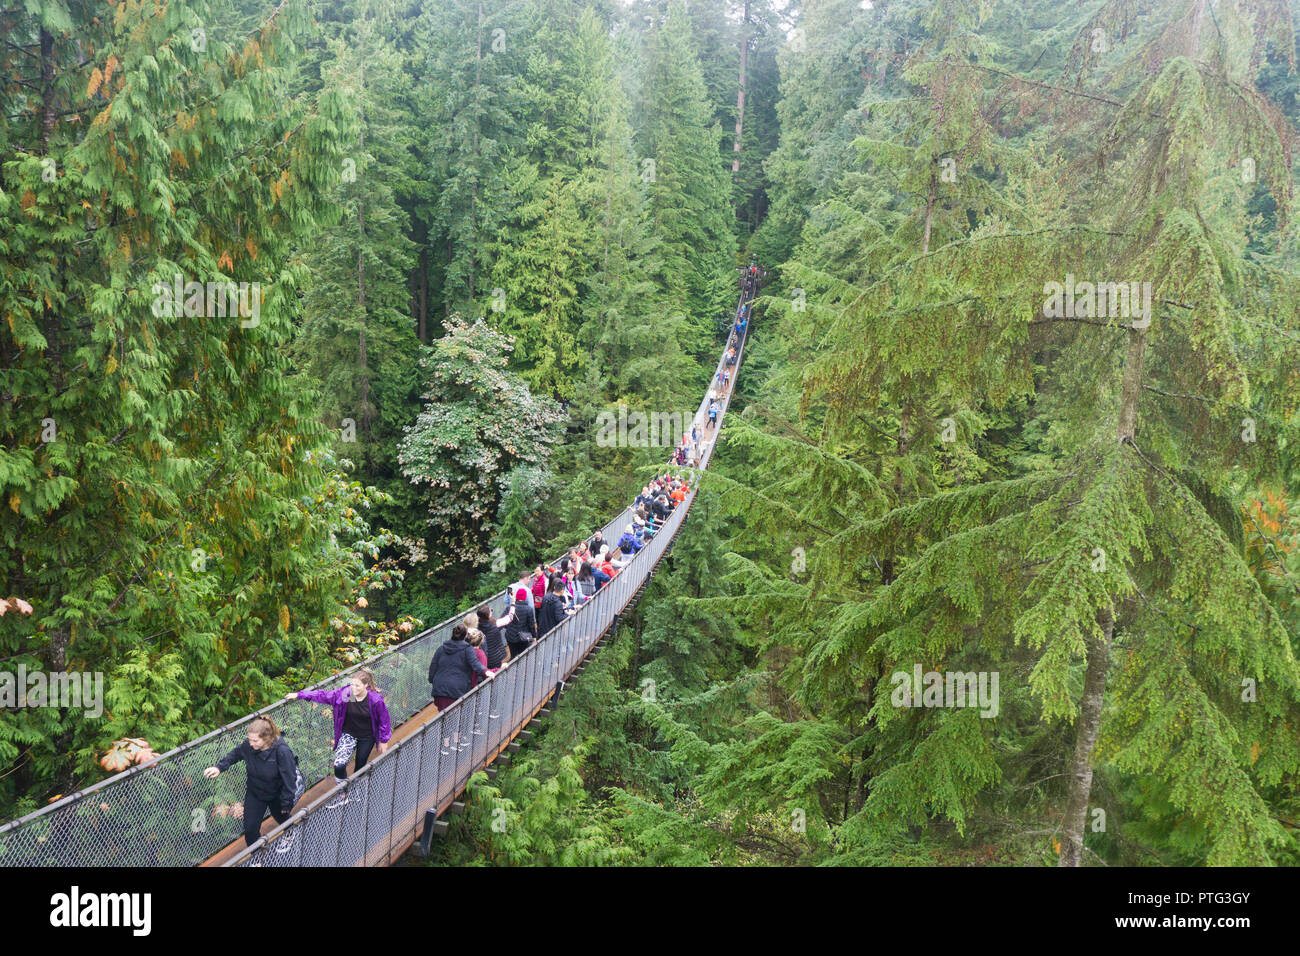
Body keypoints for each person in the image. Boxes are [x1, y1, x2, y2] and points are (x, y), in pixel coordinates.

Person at [288, 668, 392, 806]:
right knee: (339, 764)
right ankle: (342, 794)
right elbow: (324, 695)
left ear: (366, 685)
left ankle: (356, 790)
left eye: (357, 685)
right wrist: (299, 695)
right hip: (349, 734)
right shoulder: (348, 695)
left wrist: (383, 740)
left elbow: (384, 720)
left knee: (360, 764)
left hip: (367, 736)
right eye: (352, 684)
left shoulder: (374, 700)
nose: (353, 688)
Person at [203, 714, 305, 851]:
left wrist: (286, 802)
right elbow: (235, 754)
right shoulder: (249, 746)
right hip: (255, 792)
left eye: (255, 741)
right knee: (250, 830)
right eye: (250, 740)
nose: (251, 744)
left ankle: (290, 833)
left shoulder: (281, 751)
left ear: (267, 738)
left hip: (276, 793)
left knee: (282, 818)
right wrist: (219, 768)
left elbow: (289, 779)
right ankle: (257, 857)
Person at [428, 623, 490, 711]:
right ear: (466, 637)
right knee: (456, 718)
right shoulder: (468, 650)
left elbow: (433, 667)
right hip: (457, 690)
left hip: (440, 689)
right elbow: (475, 664)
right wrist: (486, 671)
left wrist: (431, 680)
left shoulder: (441, 649)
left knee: (443, 717)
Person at [503, 586, 539, 660]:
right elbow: (531, 625)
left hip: (511, 636)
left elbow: (503, 620)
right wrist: (534, 636)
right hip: (523, 638)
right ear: (525, 597)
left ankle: (511, 669)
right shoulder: (528, 609)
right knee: (523, 656)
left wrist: (509, 628)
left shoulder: (510, 607)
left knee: (513, 655)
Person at [476, 605, 513, 669]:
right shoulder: (495, 625)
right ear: (488, 615)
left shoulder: (477, 628)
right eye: (491, 611)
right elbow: (510, 618)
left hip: (485, 657)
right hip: (496, 657)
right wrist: (513, 604)